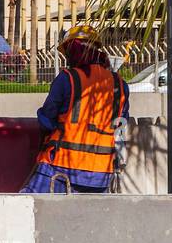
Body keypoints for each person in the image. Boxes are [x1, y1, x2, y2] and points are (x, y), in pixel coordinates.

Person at [22, 24, 129, 194]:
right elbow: (120, 125)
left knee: (26, 202)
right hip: (102, 174)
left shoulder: (67, 79)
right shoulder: (120, 84)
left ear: (74, 50)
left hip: (61, 166)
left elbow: (47, 119)